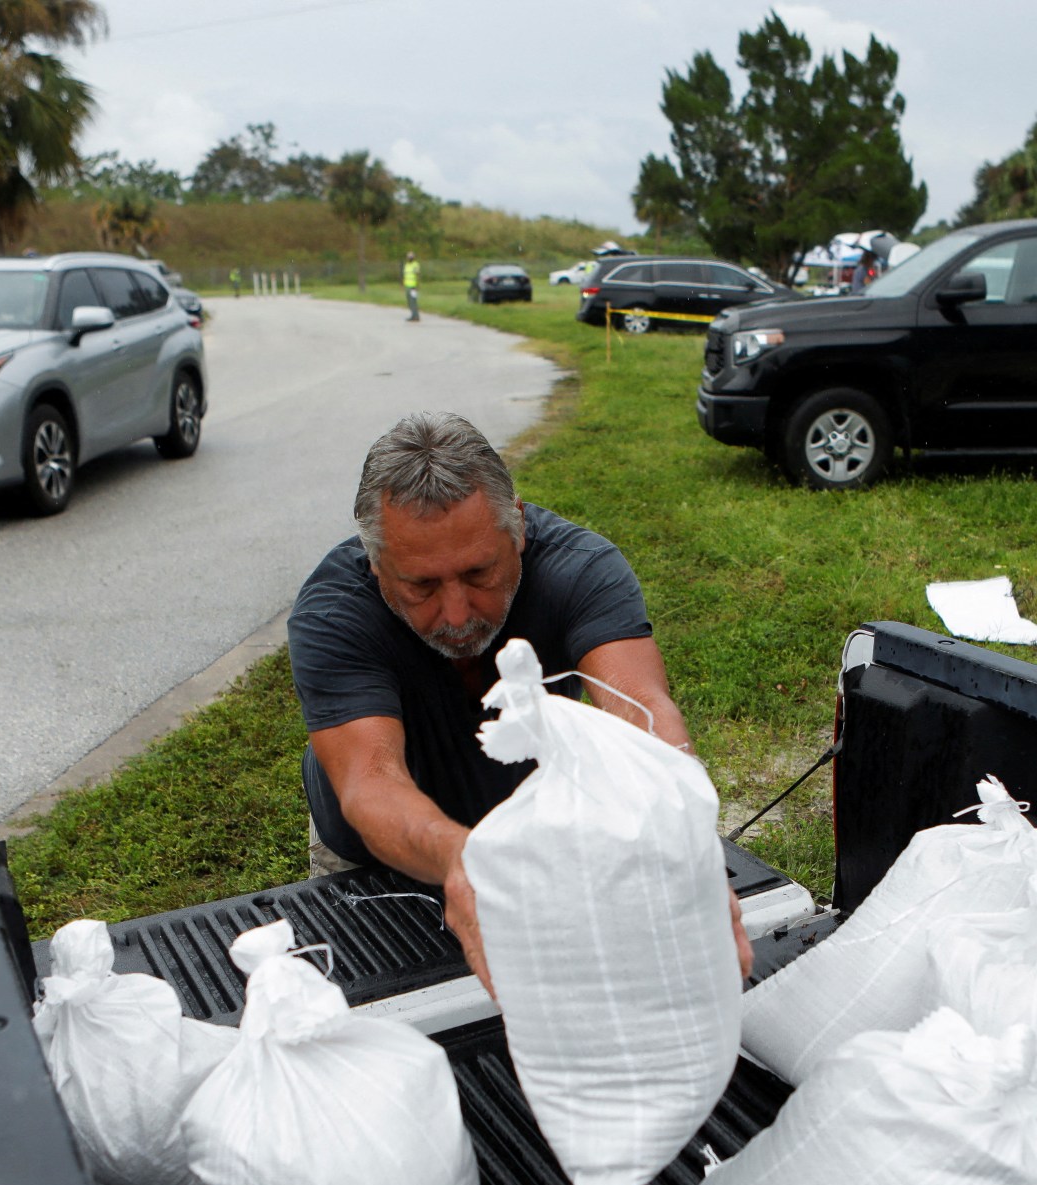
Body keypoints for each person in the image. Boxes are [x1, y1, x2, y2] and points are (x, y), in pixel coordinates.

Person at [288, 410, 751, 991]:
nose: (456, 615)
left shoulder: (581, 570)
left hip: (532, 833)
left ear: (519, 528)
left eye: (480, 573)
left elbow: (640, 708)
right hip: (374, 857)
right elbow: (371, 779)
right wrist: (461, 859)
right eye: (421, 586)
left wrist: (678, 825)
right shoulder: (334, 611)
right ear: (378, 566)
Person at [402, 251, 421, 322]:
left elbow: (418, 275)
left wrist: (417, 286)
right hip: (407, 286)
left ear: (413, 257)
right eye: (408, 256)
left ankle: (416, 316)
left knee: (413, 302)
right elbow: (405, 276)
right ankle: (413, 315)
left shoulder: (415, 265)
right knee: (409, 302)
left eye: (411, 257)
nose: (410, 258)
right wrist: (403, 285)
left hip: (413, 286)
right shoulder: (406, 265)